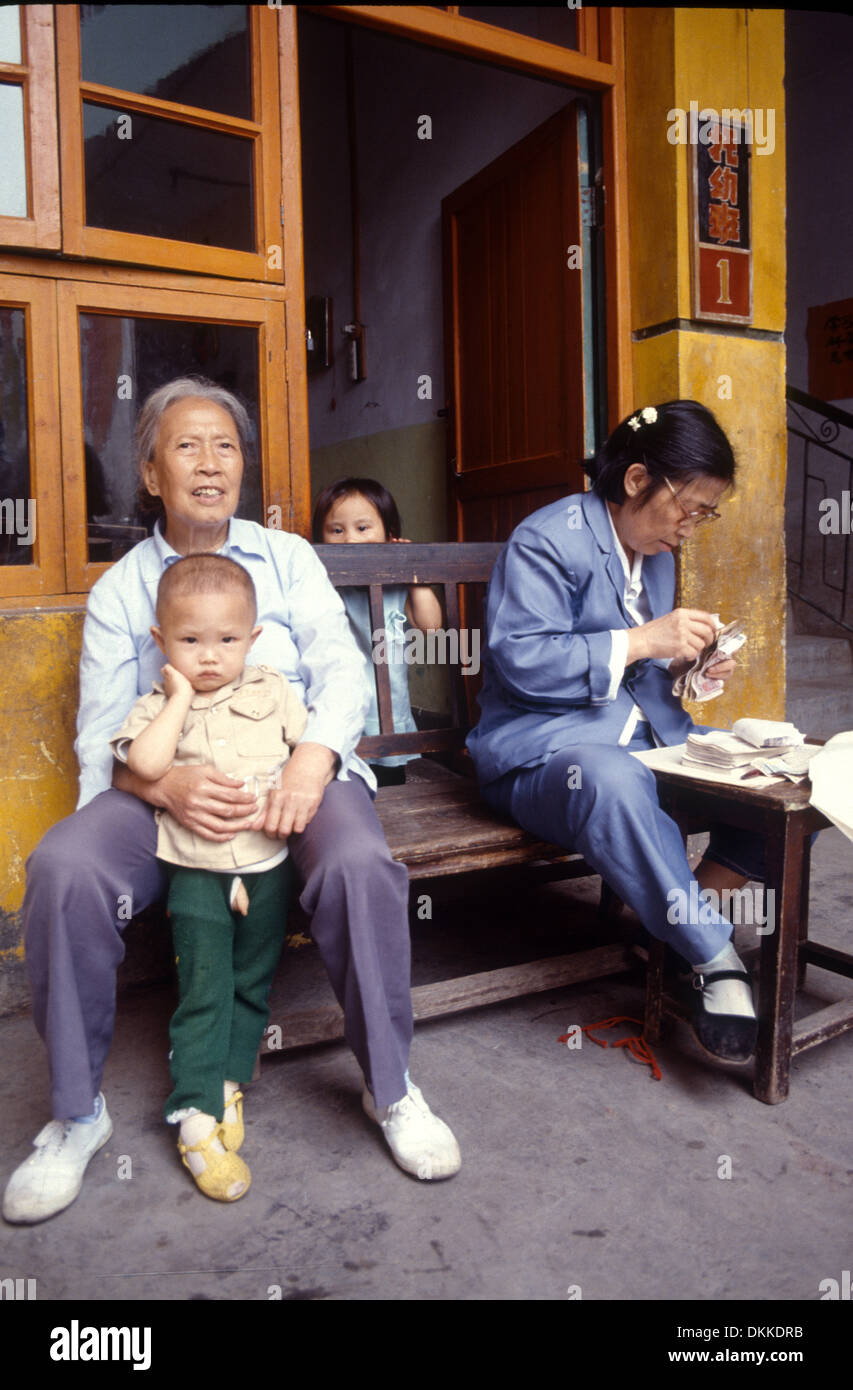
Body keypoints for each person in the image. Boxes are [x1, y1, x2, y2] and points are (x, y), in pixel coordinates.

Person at [3, 377, 460, 1226]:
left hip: (294, 772)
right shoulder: (120, 592)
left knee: (360, 864)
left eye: (227, 447)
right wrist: (165, 784)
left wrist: (310, 765)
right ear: (149, 472)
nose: (211, 465)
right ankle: (75, 1115)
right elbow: (98, 738)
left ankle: (390, 1090)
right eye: (187, 446)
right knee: (65, 867)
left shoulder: (287, 558)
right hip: (161, 787)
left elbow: (342, 673)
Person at [467, 400, 762, 1064]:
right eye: (687, 509)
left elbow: (641, 670)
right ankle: (715, 958)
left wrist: (689, 666)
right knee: (612, 777)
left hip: (641, 736)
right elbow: (522, 665)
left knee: (770, 776)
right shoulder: (546, 539)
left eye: (703, 515)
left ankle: (664, 925)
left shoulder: (653, 551)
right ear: (634, 481)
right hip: (543, 752)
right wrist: (639, 639)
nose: (689, 529)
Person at [111, 553, 308, 1202]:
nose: (209, 656)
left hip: (268, 868)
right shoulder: (156, 705)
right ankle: (194, 1119)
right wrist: (176, 699)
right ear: (160, 643)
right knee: (203, 989)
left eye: (227, 640)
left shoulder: (272, 690)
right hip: (196, 874)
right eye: (189, 641)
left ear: (252, 639)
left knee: (252, 984)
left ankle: (226, 1086)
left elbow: (310, 752)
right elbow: (142, 763)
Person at [312, 478, 443, 787]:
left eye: (363, 528)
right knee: (340, 780)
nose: (350, 541)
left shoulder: (397, 586)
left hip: (387, 710)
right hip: (336, 705)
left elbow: (432, 626)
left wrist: (415, 576)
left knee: (390, 781)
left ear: (389, 534)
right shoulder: (323, 583)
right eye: (337, 530)